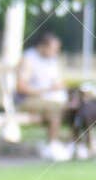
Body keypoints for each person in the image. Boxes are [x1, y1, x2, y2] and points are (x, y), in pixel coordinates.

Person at [15, 30, 68, 162]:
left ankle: (70, 145)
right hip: (27, 100)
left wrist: (58, 87)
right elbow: (21, 88)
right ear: (43, 46)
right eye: (53, 49)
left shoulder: (52, 60)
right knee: (55, 109)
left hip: (50, 99)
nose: (56, 53)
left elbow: (57, 81)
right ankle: (52, 145)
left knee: (73, 106)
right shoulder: (29, 59)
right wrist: (46, 90)